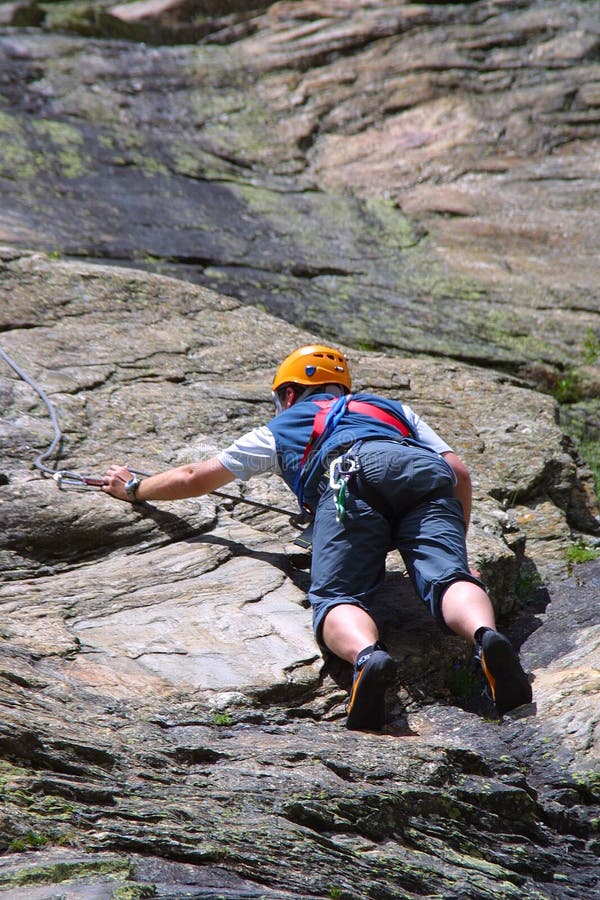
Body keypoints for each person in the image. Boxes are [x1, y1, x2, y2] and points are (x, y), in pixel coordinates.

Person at [102, 344, 532, 729]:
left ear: (287, 394)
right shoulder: (391, 408)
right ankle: (483, 636)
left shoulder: (285, 424)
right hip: (422, 473)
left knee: (336, 595)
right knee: (449, 577)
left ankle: (367, 656)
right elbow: (458, 471)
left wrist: (134, 489)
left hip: (351, 480)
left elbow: (195, 476)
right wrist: (457, 548)